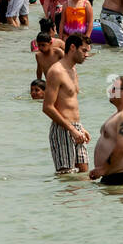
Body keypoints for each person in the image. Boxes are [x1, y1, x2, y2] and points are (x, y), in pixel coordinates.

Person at [44, 32, 92, 174]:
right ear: (72, 47)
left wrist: (80, 128)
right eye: (83, 50)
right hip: (62, 129)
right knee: (67, 179)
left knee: (84, 176)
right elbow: (47, 107)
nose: (86, 55)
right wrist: (71, 129)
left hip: (76, 128)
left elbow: (70, 102)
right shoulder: (56, 71)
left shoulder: (73, 69)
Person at [89, 76, 123, 185]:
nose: (110, 91)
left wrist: (104, 169)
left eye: (114, 88)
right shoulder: (120, 114)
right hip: (117, 175)